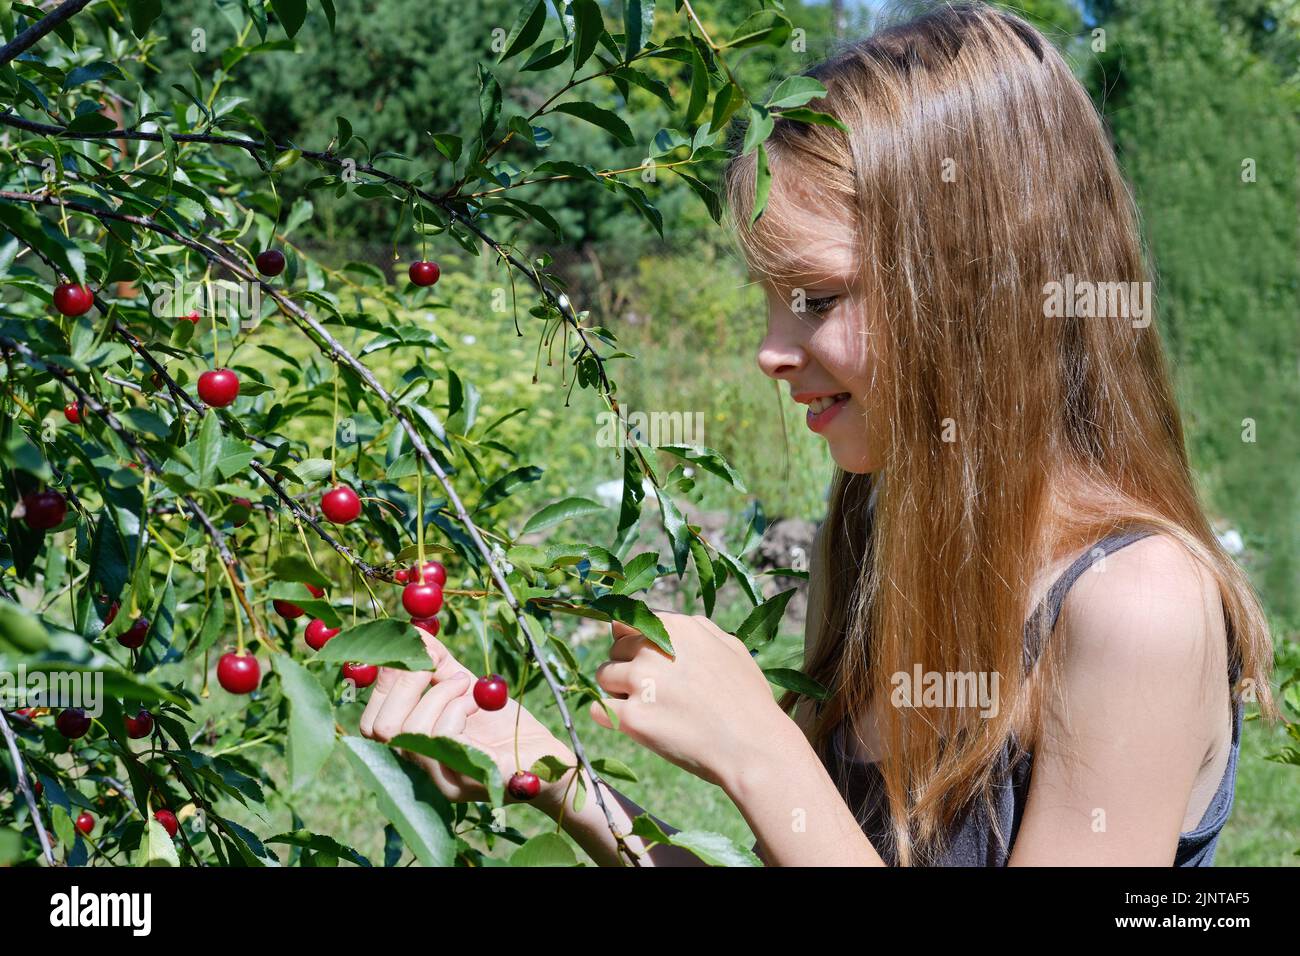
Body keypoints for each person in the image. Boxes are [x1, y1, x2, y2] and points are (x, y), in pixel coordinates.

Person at [359, 1, 1276, 866]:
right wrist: (552, 775)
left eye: (819, 298)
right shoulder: (871, 524)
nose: (770, 351)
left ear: (980, 286)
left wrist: (763, 754)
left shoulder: (1133, 608)